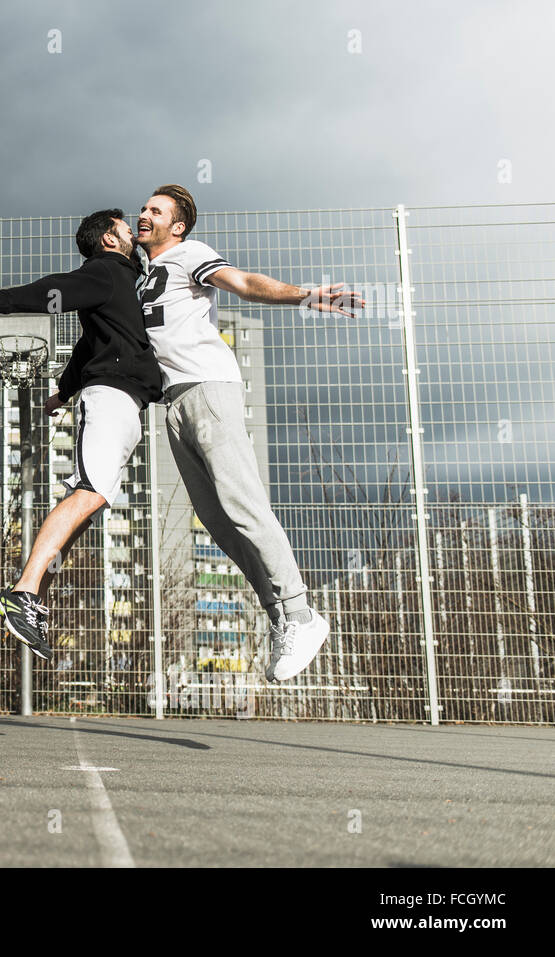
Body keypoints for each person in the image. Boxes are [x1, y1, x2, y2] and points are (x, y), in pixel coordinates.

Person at [133, 184, 364, 681]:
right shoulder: (142, 271)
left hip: (208, 390)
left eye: (156, 211)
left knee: (244, 505)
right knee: (218, 521)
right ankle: (282, 613)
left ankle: (301, 613)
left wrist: (305, 295)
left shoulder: (189, 253)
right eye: (143, 208)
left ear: (178, 226)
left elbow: (241, 282)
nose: (143, 215)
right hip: (172, 403)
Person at [0, 210, 163, 660]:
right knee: (89, 493)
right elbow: (58, 291)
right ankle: (23, 593)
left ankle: (30, 600)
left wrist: (62, 392)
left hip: (122, 399)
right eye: (127, 226)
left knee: (87, 506)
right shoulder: (107, 270)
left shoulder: (119, 284)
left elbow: (91, 342)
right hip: (111, 396)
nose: (133, 229)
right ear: (110, 238)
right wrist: (1, 302)